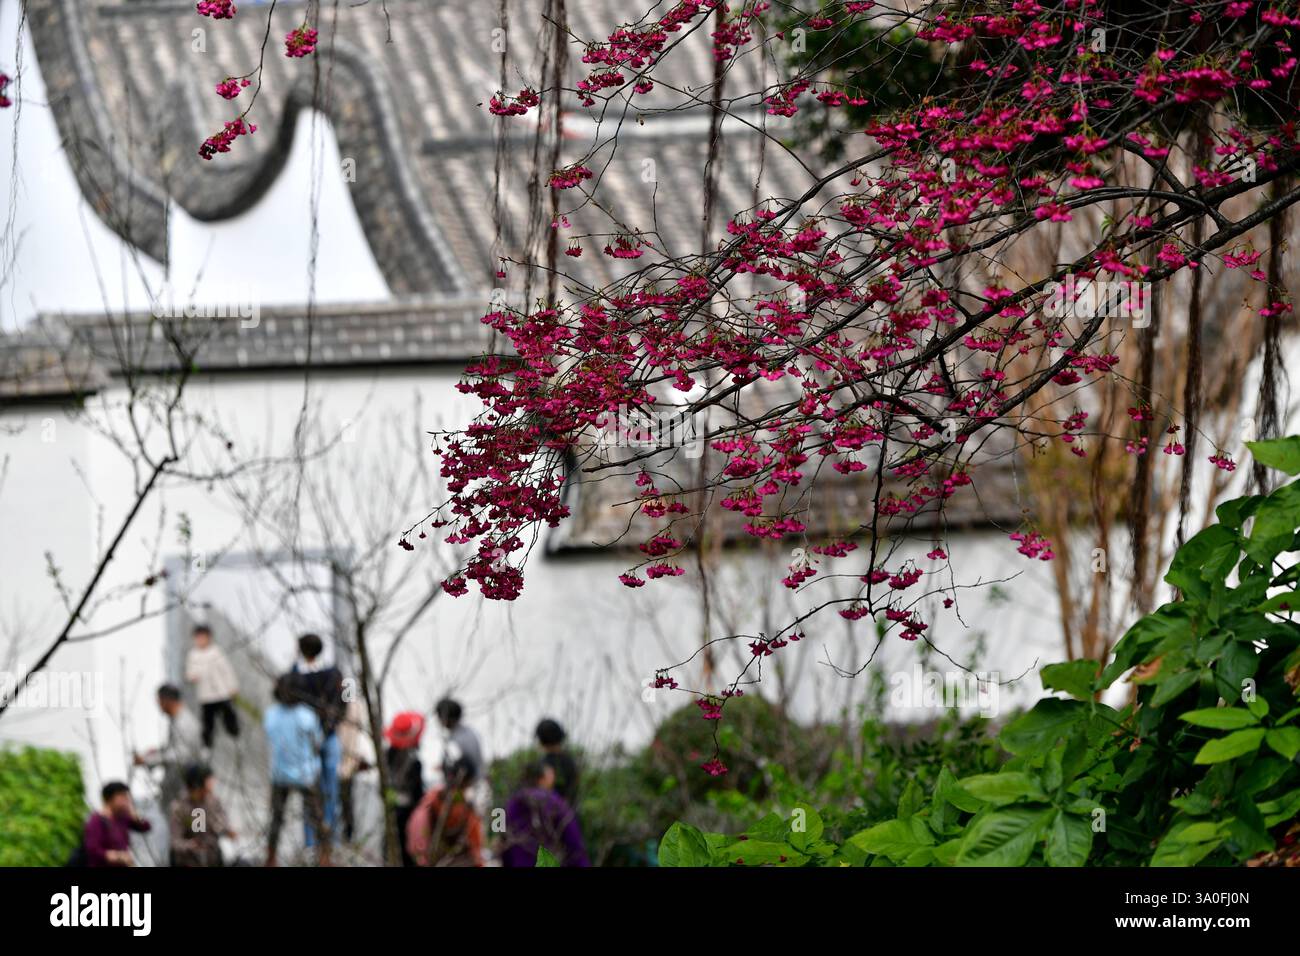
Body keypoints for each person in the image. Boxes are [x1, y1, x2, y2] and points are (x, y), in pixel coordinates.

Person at [264, 674, 331, 866]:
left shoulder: (272, 714)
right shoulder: (307, 715)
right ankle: (324, 857)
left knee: (276, 818)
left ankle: (271, 858)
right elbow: (317, 742)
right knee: (317, 817)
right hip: (305, 774)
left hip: (279, 773)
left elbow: (270, 736)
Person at [289, 634, 345, 843]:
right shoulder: (333, 673)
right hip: (327, 736)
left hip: (310, 739)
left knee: (311, 792)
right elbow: (343, 701)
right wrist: (332, 723)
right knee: (330, 790)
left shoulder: (297, 676)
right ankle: (331, 839)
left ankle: (312, 841)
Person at [500, 762, 590, 868]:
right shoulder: (556, 803)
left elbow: (503, 844)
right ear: (542, 778)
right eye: (551, 775)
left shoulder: (511, 804)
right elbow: (574, 845)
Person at [133, 684, 205, 809]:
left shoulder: (184, 722)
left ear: (166, 700)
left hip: (185, 784)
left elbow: (180, 755)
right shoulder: (177, 720)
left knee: (190, 823)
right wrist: (158, 752)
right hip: (182, 784)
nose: (158, 705)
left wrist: (148, 759)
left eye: (159, 701)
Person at [405, 756, 484, 867]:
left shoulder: (429, 800)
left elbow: (415, 842)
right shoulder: (466, 812)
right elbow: (476, 851)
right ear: (468, 782)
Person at [184, 624, 241, 750]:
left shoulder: (216, 651)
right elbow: (189, 674)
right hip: (206, 696)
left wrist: (232, 687)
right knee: (207, 723)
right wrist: (192, 677)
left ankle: (236, 740)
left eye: (203, 637)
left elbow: (227, 670)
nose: (200, 640)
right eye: (198, 637)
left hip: (221, 693)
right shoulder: (193, 655)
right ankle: (207, 747)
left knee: (229, 716)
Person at [169, 764, 235, 867]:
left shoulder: (214, 802)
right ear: (198, 784)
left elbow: (224, 824)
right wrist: (190, 845)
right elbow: (175, 842)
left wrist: (228, 831)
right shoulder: (179, 807)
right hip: (187, 863)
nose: (213, 783)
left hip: (213, 860)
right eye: (209, 780)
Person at [383, 711, 426, 866]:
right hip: (407, 813)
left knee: (390, 847)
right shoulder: (414, 763)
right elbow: (418, 796)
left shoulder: (387, 756)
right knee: (407, 852)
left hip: (391, 809)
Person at [83, 782, 152, 867]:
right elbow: (93, 850)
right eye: (122, 796)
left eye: (127, 797)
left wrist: (135, 816)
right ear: (109, 798)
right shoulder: (96, 821)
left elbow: (145, 827)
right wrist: (119, 856)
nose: (126, 800)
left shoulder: (122, 818)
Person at [337, 694, 372, 844]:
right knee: (343, 802)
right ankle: (344, 837)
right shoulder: (350, 708)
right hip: (343, 764)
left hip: (346, 765)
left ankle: (346, 837)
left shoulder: (353, 708)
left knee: (345, 802)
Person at [434, 697, 483, 786]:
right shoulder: (468, 732)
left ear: (448, 718)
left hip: (467, 787)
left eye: (439, 717)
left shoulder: (457, 739)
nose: (439, 721)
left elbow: (464, 767)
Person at [535, 717, 580, 807]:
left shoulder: (542, 765)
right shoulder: (571, 762)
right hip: (570, 815)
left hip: (549, 815)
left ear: (540, 740)